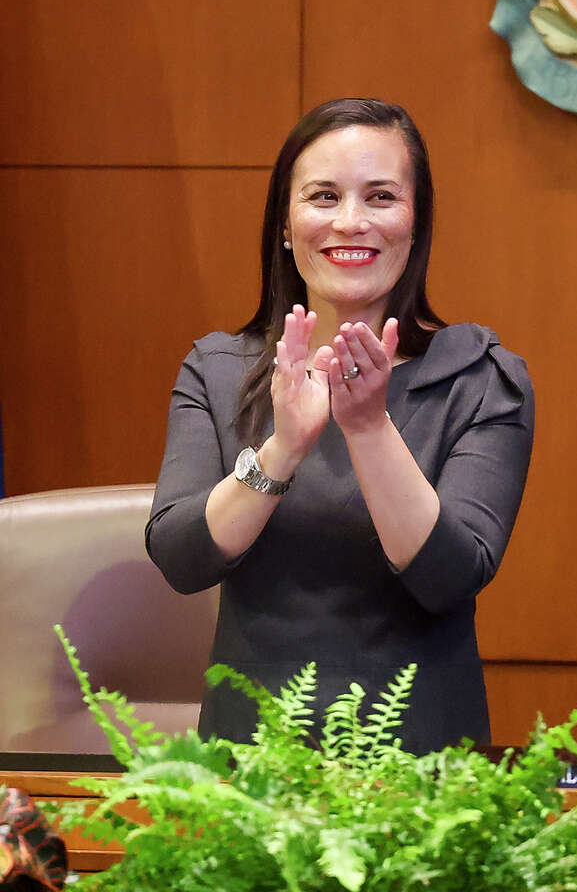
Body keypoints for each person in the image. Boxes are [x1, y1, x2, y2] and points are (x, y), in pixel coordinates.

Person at [147, 98, 534, 754]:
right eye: (323, 196)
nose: (350, 222)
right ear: (286, 226)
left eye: (381, 197)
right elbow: (182, 559)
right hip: (248, 767)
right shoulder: (217, 371)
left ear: (416, 225)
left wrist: (367, 428)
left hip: (422, 774)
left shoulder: (477, 378)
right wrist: (283, 448)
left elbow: (448, 577)